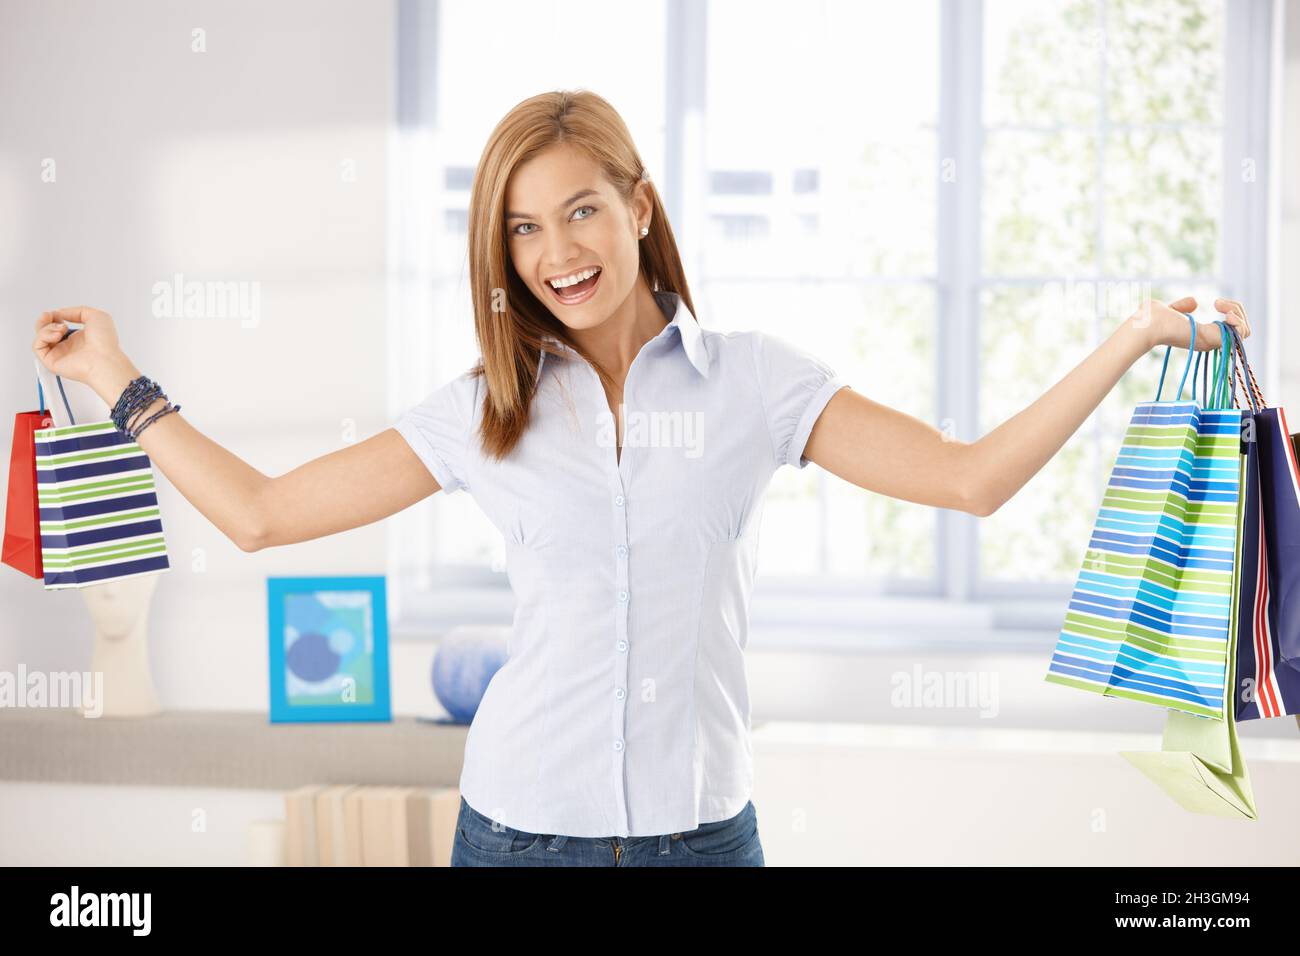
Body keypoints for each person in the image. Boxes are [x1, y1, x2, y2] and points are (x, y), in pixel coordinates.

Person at [32, 89, 1252, 867]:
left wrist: (1133, 336)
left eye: (580, 211)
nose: (556, 251)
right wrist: (123, 379)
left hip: (703, 840)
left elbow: (973, 479)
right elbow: (258, 513)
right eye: (521, 227)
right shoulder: (483, 411)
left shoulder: (755, 386)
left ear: (639, 207)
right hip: (515, 836)